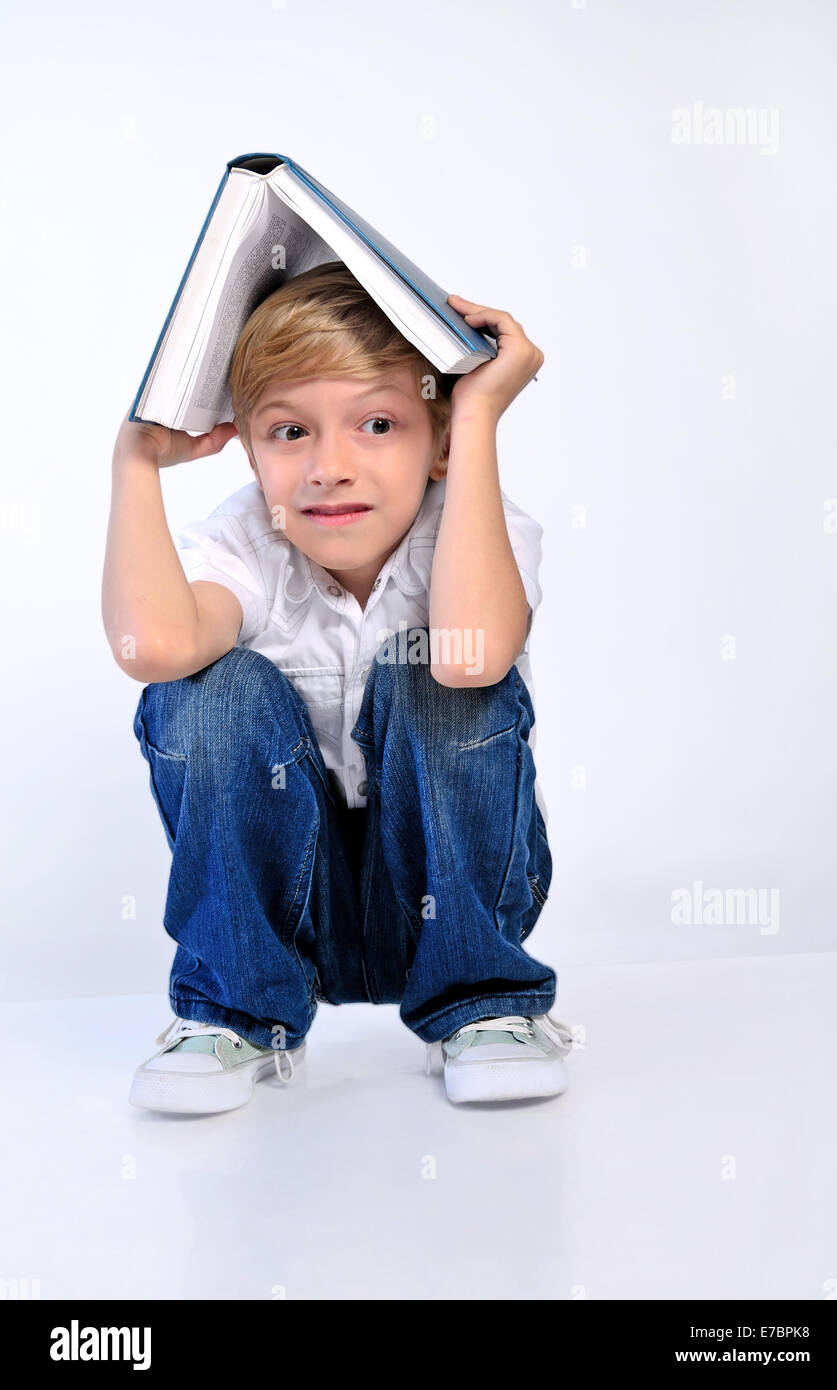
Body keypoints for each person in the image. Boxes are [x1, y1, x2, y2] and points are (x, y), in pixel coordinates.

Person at [102, 260, 573, 1114]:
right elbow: (154, 646)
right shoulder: (246, 541)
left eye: (380, 424)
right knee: (210, 687)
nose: (331, 466)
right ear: (247, 447)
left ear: (436, 443)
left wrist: (477, 419)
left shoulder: (476, 525)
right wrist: (136, 460)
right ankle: (235, 1014)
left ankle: (487, 1003)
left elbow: (473, 660)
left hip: (442, 898)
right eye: (290, 433)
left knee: (437, 669)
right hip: (288, 913)